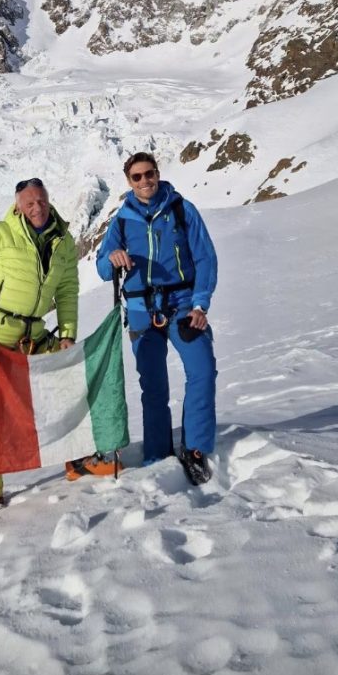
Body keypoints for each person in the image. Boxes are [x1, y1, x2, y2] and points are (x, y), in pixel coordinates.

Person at [0, 178, 79, 509]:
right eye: (30, 203)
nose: (37, 208)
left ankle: (79, 460)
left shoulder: (63, 242)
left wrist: (67, 334)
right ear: (18, 206)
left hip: (33, 336)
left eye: (41, 200)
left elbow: (67, 291)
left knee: (73, 382)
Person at [96, 152, 218, 483]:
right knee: (153, 386)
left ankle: (195, 448)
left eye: (149, 174)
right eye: (137, 177)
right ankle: (156, 454)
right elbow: (102, 268)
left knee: (203, 371)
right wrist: (113, 257)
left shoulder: (181, 210)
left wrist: (200, 304)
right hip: (140, 309)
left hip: (183, 305)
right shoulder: (122, 220)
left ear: (157, 173)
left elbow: (205, 258)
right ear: (129, 181)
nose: (144, 181)